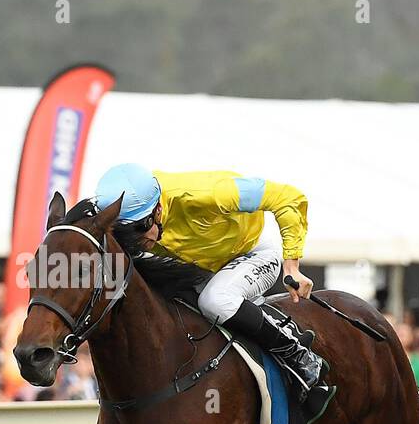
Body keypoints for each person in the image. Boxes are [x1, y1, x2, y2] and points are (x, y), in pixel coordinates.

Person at [93, 163, 321, 389]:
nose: (136, 240)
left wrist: (292, 265)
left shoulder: (208, 193)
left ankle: (296, 352)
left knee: (215, 300)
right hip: (201, 265)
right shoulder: (137, 223)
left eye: (140, 227)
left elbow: (288, 197)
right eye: (125, 232)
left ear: (158, 210)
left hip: (254, 253)